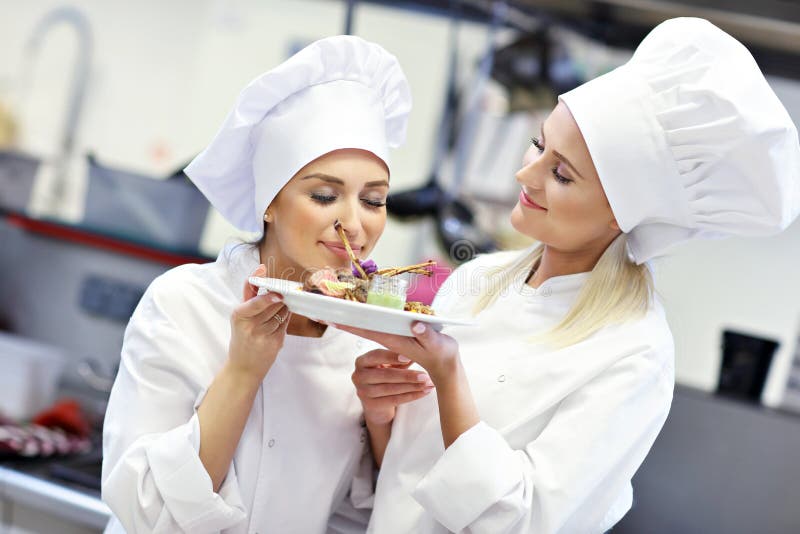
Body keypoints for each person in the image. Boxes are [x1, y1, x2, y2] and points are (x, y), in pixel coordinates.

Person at [338, 18, 800, 533]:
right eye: (538, 145)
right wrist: (381, 418)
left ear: (619, 214)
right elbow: (400, 482)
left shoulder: (634, 351)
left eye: (561, 174)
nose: (525, 174)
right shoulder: (482, 277)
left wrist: (449, 378)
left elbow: (528, 522)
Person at [101, 35, 415, 534]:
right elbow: (143, 511)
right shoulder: (185, 303)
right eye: (325, 195)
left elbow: (367, 516)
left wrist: (381, 421)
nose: (353, 223)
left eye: (373, 200)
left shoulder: (365, 334)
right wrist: (243, 372)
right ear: (270, 200)